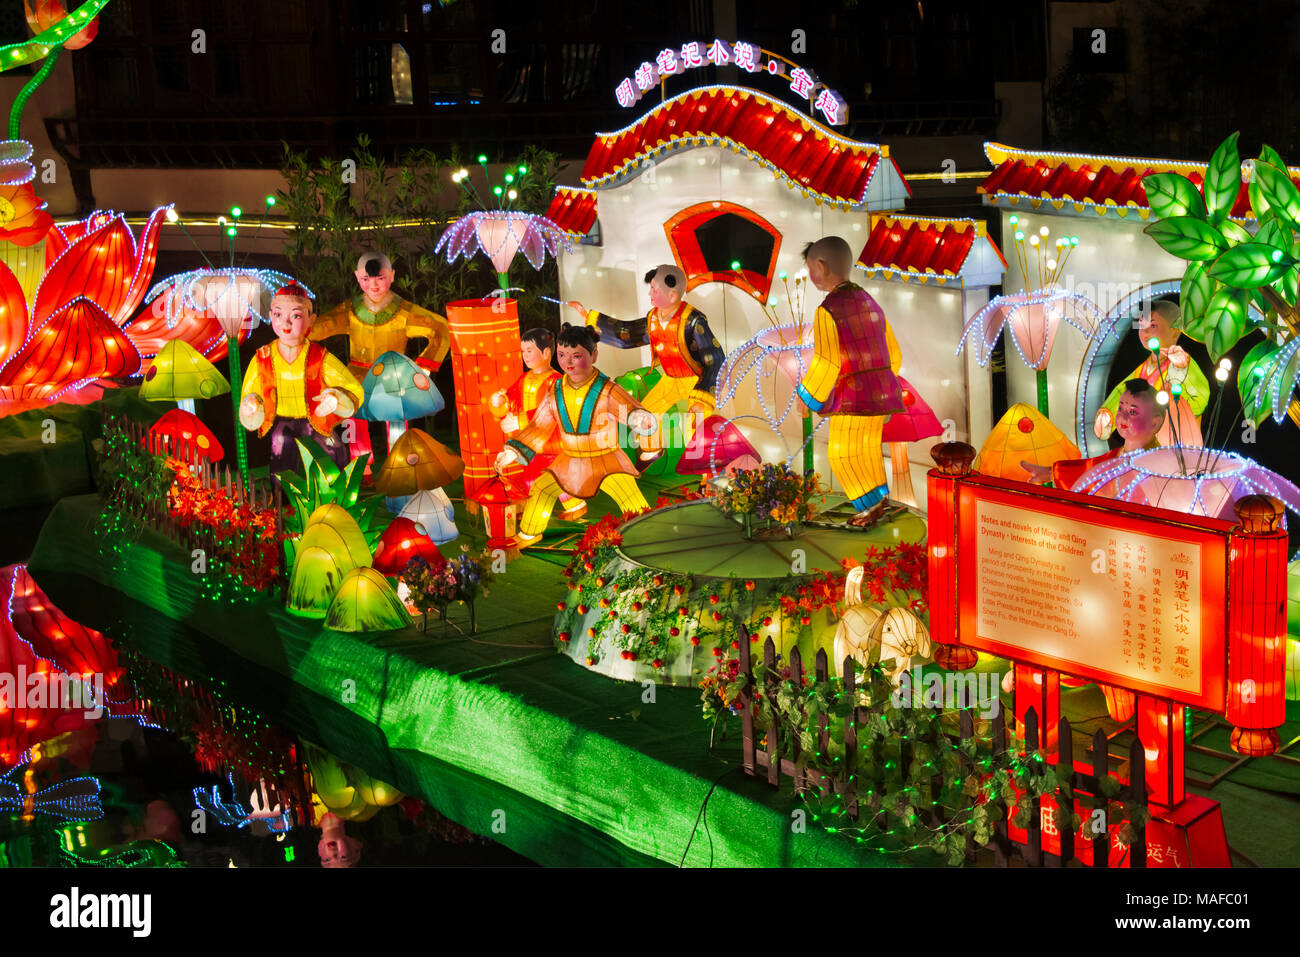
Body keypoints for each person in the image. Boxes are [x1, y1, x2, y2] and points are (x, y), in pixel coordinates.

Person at [493, 324, 660, 548]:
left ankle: (648, 533)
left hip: (606, 458)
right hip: (570, 459)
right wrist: (513, 451)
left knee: (629, 496)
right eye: (562, 355)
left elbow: (631, 409)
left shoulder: (607, 390)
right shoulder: (556, 391)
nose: (568, 362)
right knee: (542, 489)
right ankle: (529, 533)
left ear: (594, 355)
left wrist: (638, 419)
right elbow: (539, 426)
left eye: (576, 356)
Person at [796, 236, 905, 527]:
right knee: (868, 450)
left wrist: (806, 397)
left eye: (810, 268)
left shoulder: (827, 310)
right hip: (881, 393)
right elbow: (894, 353)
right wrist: (884, 383)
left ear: (821, 266)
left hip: (852, 397)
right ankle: (880, 501)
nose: (811, 275)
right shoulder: (869, 302)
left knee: (842, 454)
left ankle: (868, 509)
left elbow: (827, 361)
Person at [310, 251, 451, 474]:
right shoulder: (351, 310)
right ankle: (361, 464)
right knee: (352, 415)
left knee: (397, 416)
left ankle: (399, 460)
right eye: (366, 279)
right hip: (357, 375)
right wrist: (301, 327)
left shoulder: (403, 311)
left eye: (380, 278)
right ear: (357, 277)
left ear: (392, 276)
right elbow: (321, 327)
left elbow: (440, 328)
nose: (373, 285)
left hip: (393, 377)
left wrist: (423, 367)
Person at [567, 264, 724, 444]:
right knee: (645, 416)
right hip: (670, 379)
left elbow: (715, 357)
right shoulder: (653, 319)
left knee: (696, 425)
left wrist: (702, 398)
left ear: (672, 295)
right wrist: (589, 318)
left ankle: (708, 460)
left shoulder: (693, 321)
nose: (650, 293)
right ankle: (653, 449)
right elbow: (627, 333)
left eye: (654, 290)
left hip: (695, 380)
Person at [239, 283, 364, 475]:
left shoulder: (319, 357)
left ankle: (332, 492)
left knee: (332, 455)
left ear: (311, 320)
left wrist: (336, 398)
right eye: (278, 315)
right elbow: (249, 392)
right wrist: (251, 404)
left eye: (296, 316)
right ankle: (282, 493)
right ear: (271, 316)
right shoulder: (263, 357)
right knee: (281, 458)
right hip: (282, 423)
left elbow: (353, 388)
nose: (286, 323)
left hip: (315, 422)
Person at [487, 327, 586, 519]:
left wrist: (519, 420)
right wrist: (499, 402)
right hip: (530, 440)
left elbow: (552, 410)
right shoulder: (525, 378)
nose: (525, 355)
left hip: (551, 440)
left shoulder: (556, 381)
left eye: (529, 350)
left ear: (546, 353)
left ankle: (571, 505)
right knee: (533, 474)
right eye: (523, 351)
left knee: (551, 475)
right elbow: (511, 397)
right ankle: (536, 507)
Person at [1094, 300, 1207, 447]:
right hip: (1141, 446)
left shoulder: (1183, 364)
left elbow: (1200, 401)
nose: (1145, 332)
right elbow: (1122, 393)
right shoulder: (1142, 369)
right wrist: (1107, 414)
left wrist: (1181, 371)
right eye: (1142, 325)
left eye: (1153, 326)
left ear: (1175, 331)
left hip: (1174, 448)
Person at [1022, 378, 1165, 492]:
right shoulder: (1116, 456)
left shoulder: (1160, 466)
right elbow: (1088, 470)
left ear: (1155, 422)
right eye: (1121, 408)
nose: (1122, 417)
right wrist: (1051, 473)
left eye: (1133, 412)